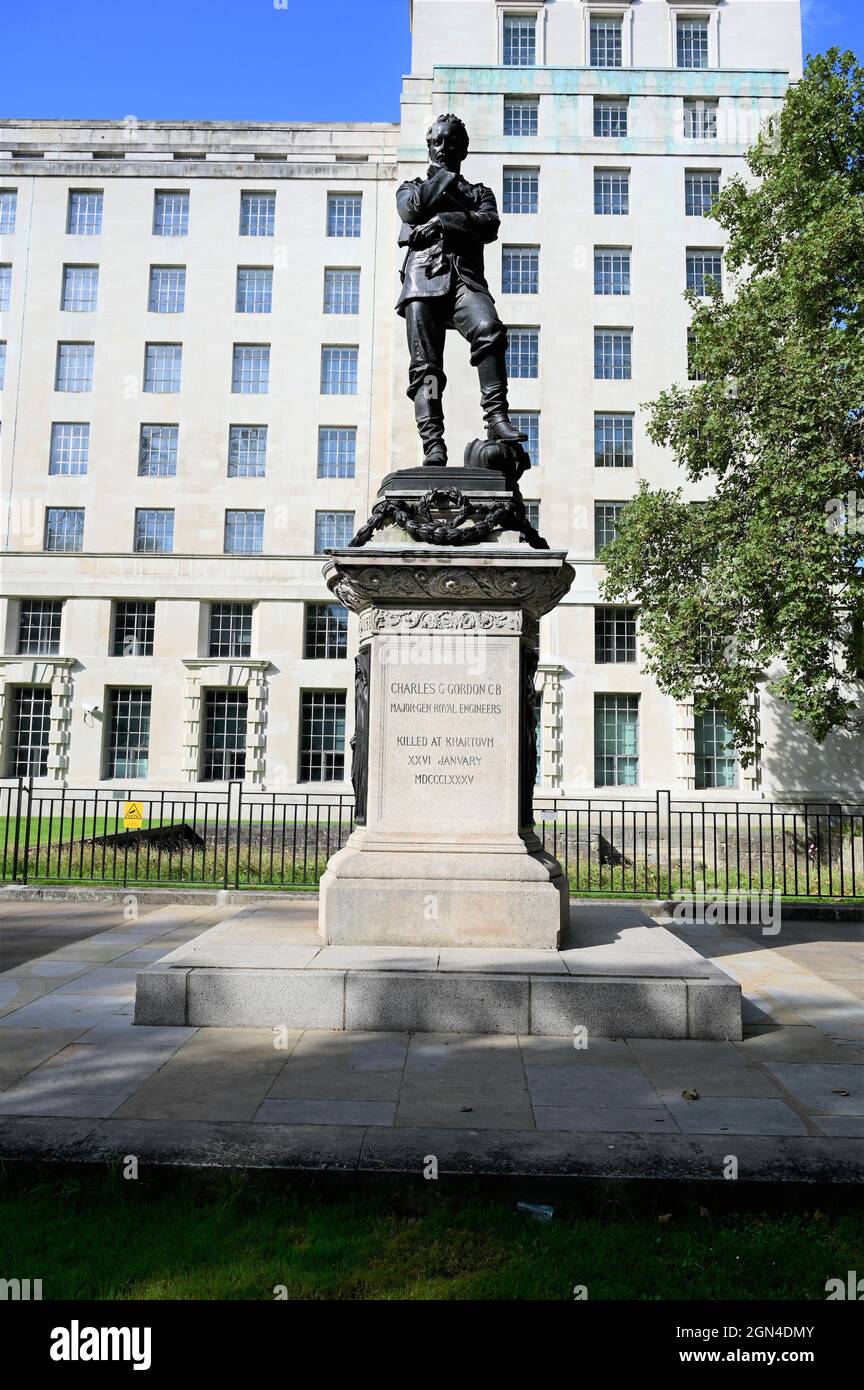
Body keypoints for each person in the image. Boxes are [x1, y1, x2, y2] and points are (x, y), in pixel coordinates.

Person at [396, 112, 526, 465]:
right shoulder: (410, 187)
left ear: (463, 148)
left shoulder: (480, 193)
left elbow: (488, 226)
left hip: (465, 279)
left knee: (489, 329)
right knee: (426, 369)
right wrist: (447, 180)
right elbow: (412, 209)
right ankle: (433, 443)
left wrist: (442, 222)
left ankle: (496, 418)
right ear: (428, 147)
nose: (444, 147)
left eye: (451, 141)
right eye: (437, 141)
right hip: (422, 280)